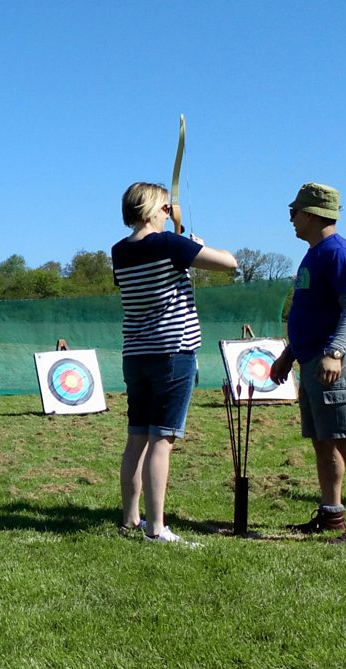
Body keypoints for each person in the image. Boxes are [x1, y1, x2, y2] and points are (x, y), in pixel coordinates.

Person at [111, 182, 238, 545]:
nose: (170, 214)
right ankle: (156, 528)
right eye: (166, 209)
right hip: (172, 353)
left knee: (137, 437)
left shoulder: (119, 251)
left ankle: (130, 519)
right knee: (161, 440)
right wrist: (194, 246)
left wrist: (182, 246)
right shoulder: (170, 245)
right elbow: (230, 263)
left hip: (135, 355)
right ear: (152, 210)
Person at [271, 183, 346, 544]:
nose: (290, 219)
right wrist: (290, 354)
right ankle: (331, 515)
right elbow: (311, 313)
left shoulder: (339, 252)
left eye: (294, 212)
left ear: (311, 214)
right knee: (323, 441)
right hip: (313, 361)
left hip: (337, 361)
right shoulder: (313, 254)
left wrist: (335, 352)